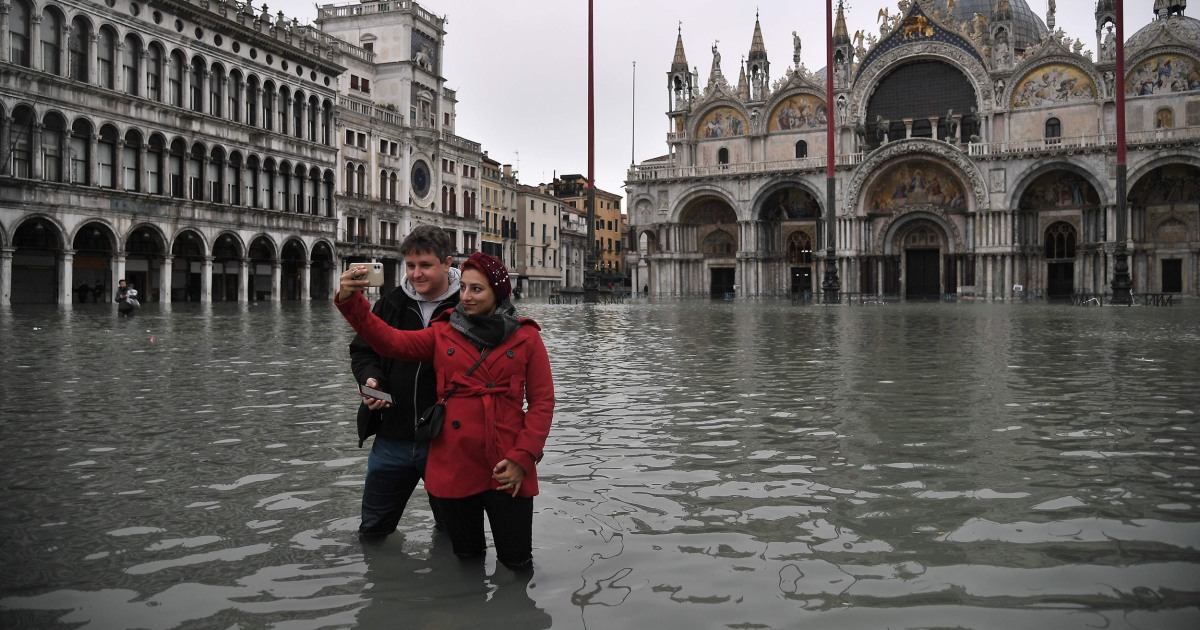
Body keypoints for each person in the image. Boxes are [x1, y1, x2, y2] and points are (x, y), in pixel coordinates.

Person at [335, 252, 554, 571]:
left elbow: (542, 403)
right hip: (455, 462)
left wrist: (523, 458)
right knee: (466, 559)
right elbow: (390, 342)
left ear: (498, 291)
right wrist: (350, 300)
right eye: (463, 287)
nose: (465, 296)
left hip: (507, 464)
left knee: (517, 562)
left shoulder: (527, 337)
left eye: (476, 289)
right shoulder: (443, 332)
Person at [349, 224, 461, 539]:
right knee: (372, 532)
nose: (415, 274)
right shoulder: (390, 303)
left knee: (454, 535)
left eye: (425, 265)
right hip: (391, 436)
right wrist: (371, 380)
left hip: (446, 441)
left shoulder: (468, 308)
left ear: (447, 263)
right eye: (410, 265)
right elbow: (362, 351)